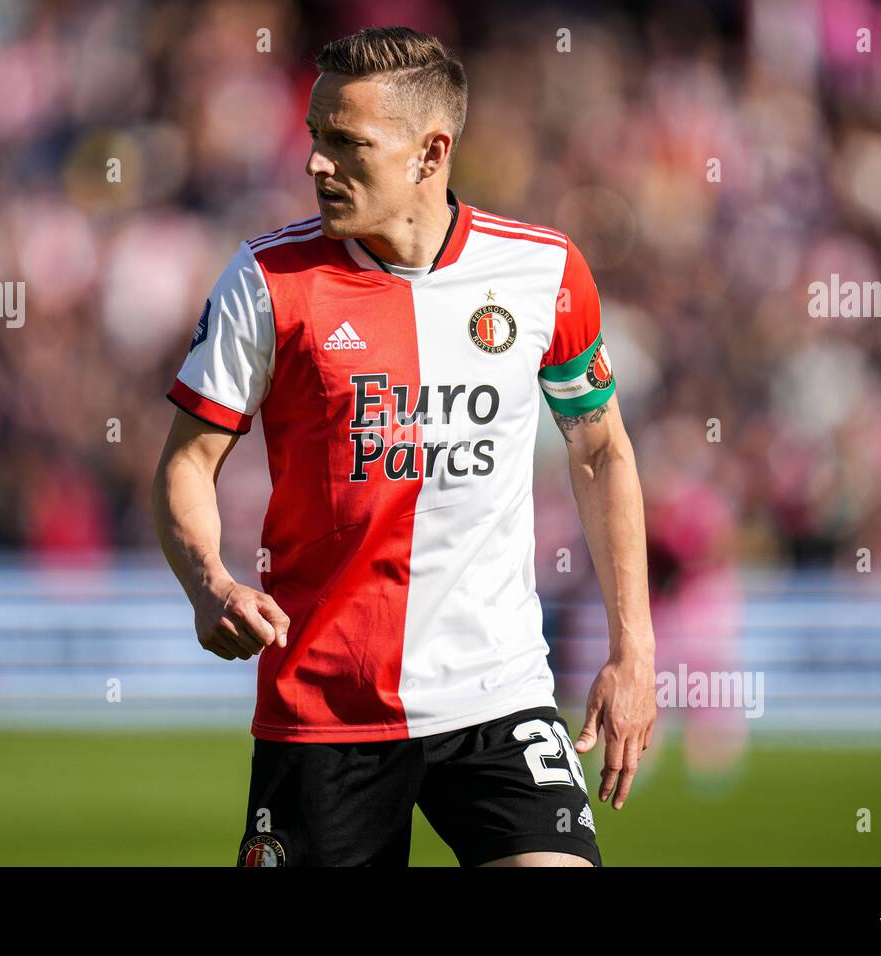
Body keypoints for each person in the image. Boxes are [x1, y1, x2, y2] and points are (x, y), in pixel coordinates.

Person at [152, 25, 656, 867]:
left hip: (500, 696)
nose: (316, 163)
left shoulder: (543, 272)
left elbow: (600, 451)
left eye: (347, 144)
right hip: (324, 708)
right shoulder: (267, 281)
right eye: (315, 138)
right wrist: (209, 585)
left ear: (431, 154)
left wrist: (633, 652)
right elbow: (187, 463)